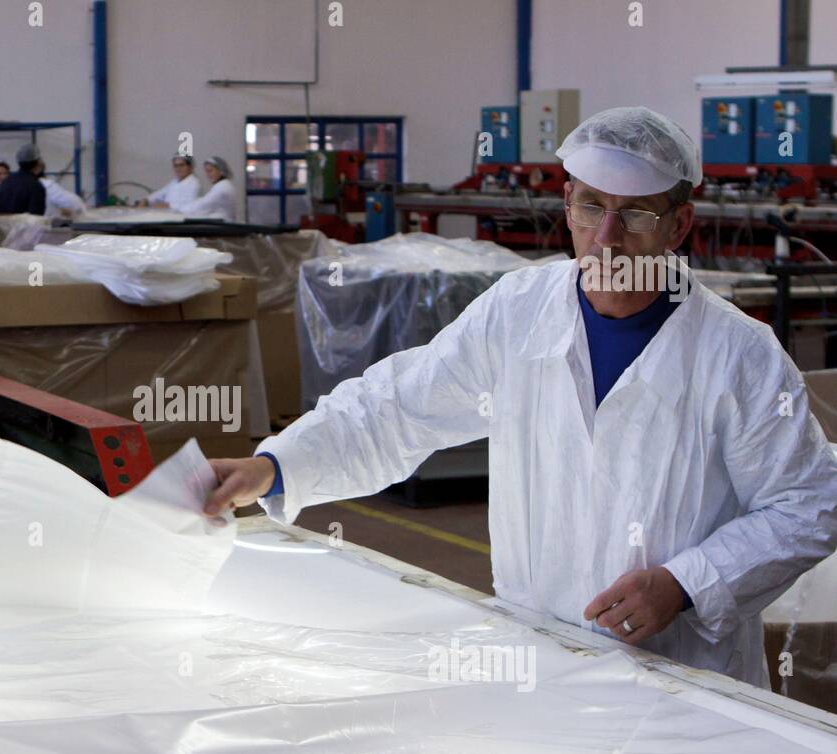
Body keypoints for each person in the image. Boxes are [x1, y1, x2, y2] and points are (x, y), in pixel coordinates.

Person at [204, 106, 837, 689]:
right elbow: (398, 406)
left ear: (680, 222)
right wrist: (277, 466)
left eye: (637, 215)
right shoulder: (518, 312)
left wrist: (686, 584)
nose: (608, 237)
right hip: (538, 655)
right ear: (567, 205)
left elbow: (807, 504)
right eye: (592, 206)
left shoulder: (739, 355)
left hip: (685, 676)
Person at [0, 143, 47, 215]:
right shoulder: (36, 186)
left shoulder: (6, 181)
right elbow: (36, 218)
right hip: (22, 226)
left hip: (3, 225)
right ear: (38, 163)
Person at [180, 155, 240, 221]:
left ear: (221, 171)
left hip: (221, 226)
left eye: (210, 171)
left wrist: (181, 209)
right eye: (207, 172)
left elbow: (204, 206)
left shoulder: (222, 188)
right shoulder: (223, 185)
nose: (208, 175)